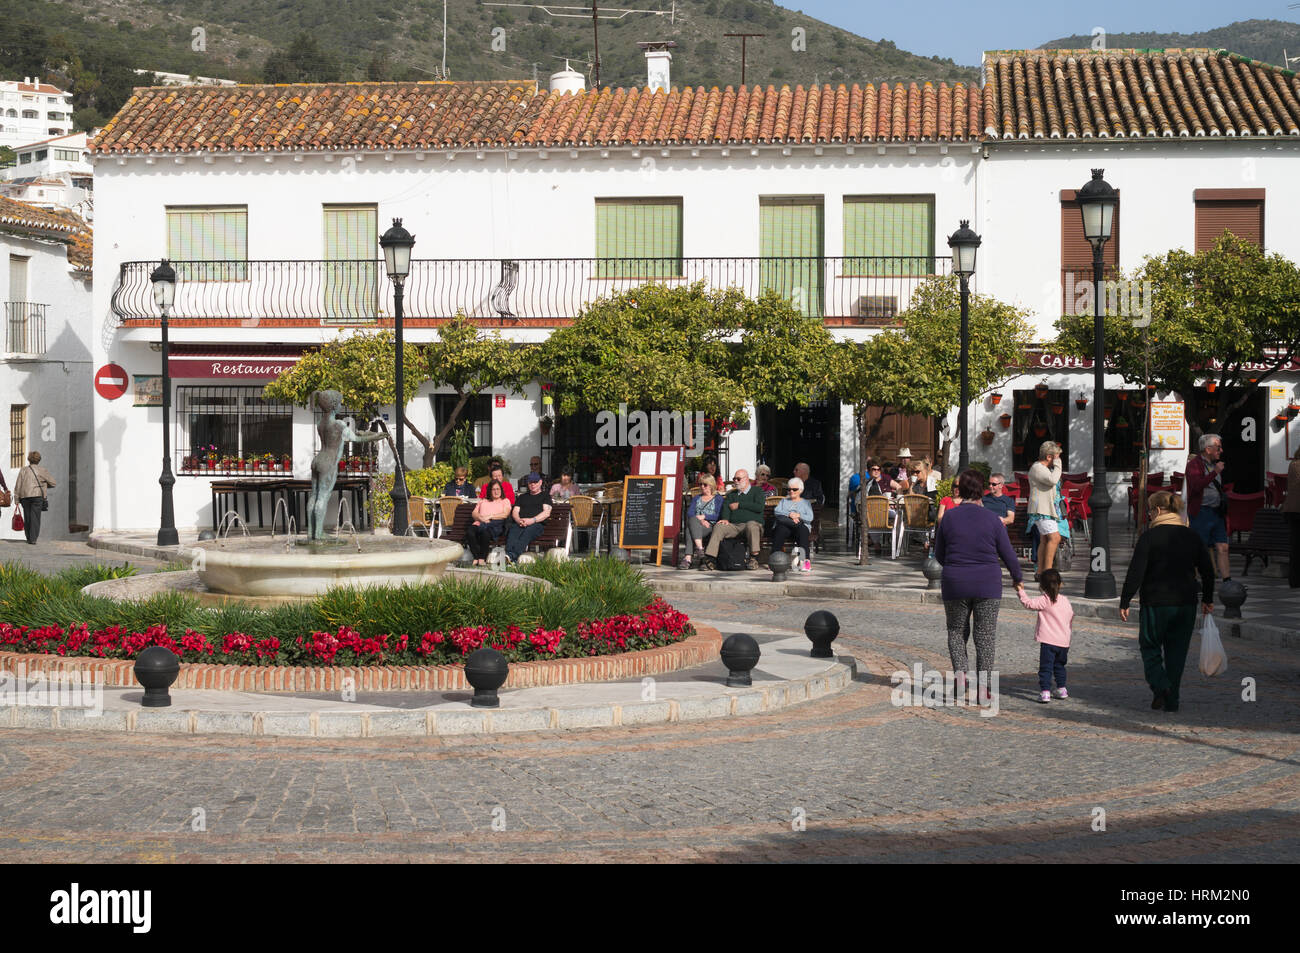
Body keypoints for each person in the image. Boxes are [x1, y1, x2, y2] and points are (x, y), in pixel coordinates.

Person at [1119, 491, 1215, 713]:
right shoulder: (1192, 536)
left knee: (1150, 646)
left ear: (1159, 510)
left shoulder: (1149, 537)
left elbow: (1136, 571)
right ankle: (1172, 701)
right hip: (1186, 602)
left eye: (1151, 511)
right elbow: (1208, 571)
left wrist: (1125, 599)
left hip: (1155, 602)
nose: (1150, 515)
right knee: (1177, 653)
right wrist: (1208, 598)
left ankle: (1162, 686)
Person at [933, 468, 1023, 702]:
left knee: (955, 631)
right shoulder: (993, 519)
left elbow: (939, 554)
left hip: (955, 582)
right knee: (985, 636)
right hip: (988, 584)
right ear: (981, 491)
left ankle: (960, 676)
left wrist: (955, 564)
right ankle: (984, 688)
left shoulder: (949, 518)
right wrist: (1018, 578)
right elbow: (1008, 554)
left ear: (960, 491)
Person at [1015, 568, 1074, 704]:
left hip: (1048, 641)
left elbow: (1028, 603)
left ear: (1041, 586)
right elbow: (1071, 616)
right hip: (1063, 642)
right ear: (1060, 584)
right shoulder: (1065, 600)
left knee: (1046, 667)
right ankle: (1061, 688)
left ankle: (1045, 692)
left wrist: (1020, 591)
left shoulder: (1044, 600)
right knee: (1060, 666)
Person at [1185, 433, 1231, 582]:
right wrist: (1215, 473)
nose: (1221, 451)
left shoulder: (1213, 464)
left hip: (1216, 512)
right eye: (1218, 447)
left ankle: (1227, 581)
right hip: (1201, 512)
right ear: (1208, 449)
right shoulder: (1194, 465)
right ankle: (1194, 580)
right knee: (1199, 548)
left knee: (1223, 547)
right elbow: (1197, 486)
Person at [700, 469, 766, 571]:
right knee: (720, 526)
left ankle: (753, 559)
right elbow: (726, 508)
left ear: (746, 479)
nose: (735, 481)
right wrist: (725, 518)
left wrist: (740, 505)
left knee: (751, 525)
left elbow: (759, 507)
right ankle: (711, 559)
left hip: (753, 525)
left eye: (738, 479)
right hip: (735, 526)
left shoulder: (757, 491)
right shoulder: (732, 495)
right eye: (734, 479)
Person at [1027, 441, 1067, 578]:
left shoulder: (1042, 468)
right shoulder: (1038, 468)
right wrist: (1058, 465)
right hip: (1041, 509)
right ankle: (1047, 573)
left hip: (1045, 508)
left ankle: (1040, 572)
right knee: (1054, 537)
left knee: (1045, 539)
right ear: (1049, 457)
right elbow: (1052, 480)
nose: (1058, 460)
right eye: (1056, 457)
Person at [505, 472, 552, 562]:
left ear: (540, 482)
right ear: (528, 483)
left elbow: (546, 513)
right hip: (521, 522)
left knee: (527, 531)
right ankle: (508, 555)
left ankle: (511, 556)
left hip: (537, 524)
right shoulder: (522, 497)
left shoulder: (545, 496)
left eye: (535, 482)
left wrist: (532, 520)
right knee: (514, 530)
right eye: (530, 482)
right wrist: (518, 520)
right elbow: (515, 511)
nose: (533, 484)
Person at [680, 474, 723, 570]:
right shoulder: (696, 498)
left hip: (710, 526)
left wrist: (705, 517)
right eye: (700, 484)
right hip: (697, 524)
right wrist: (701, 520)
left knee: (689, 529)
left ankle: (688, 558)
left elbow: (718, 515)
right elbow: (690, 513)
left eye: (705, 484)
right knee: (692, 522)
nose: (702, 487)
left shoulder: (718, 498)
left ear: (711, 485)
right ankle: (700, 550)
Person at [772, 477, 815, 572]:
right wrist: (790, 515)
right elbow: (777, 511)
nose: (791, 491)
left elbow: (810, 517)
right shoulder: (784, 501)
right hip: (786, 526)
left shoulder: (805, 503)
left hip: (800, 526)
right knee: (780, 529)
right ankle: (774, 559)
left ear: (801, 490)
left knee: (803, 530)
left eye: (794, 489)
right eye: (789, 489)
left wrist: (798, 515)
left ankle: (804, 561)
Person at [14, 450, 56, 545]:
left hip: (25, 496)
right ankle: (33, 539)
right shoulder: (42, 470)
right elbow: (53, 483)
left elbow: (18, 485)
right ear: (39, 460)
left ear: (29, 459)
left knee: (27, 517)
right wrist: (43, 484)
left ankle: (28, 537)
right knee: (35, 518)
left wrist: (16, 498)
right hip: (37, 496)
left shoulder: (23, 470)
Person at [466, 479, 511, 566]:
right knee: (470, 532)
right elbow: (474, 513)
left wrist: (490, 516)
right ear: (490, 491)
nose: (496, 491)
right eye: (493, 489)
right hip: (480, 523)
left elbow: (505, 514)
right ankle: (476, 557)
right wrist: (481, 518)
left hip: (494, 525)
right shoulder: (483, 501)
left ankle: (482, 558)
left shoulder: (505, 501)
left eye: (498, 489)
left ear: (501, 490)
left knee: (485, 533)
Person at [1285, 446, 1300, 589]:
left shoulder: (1294, 464)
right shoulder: (1296, 465)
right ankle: (1295, 579)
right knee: (1296, 546)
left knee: (1296, 545)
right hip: (1296, 510)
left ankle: (1295, 579)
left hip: (1293, 510)